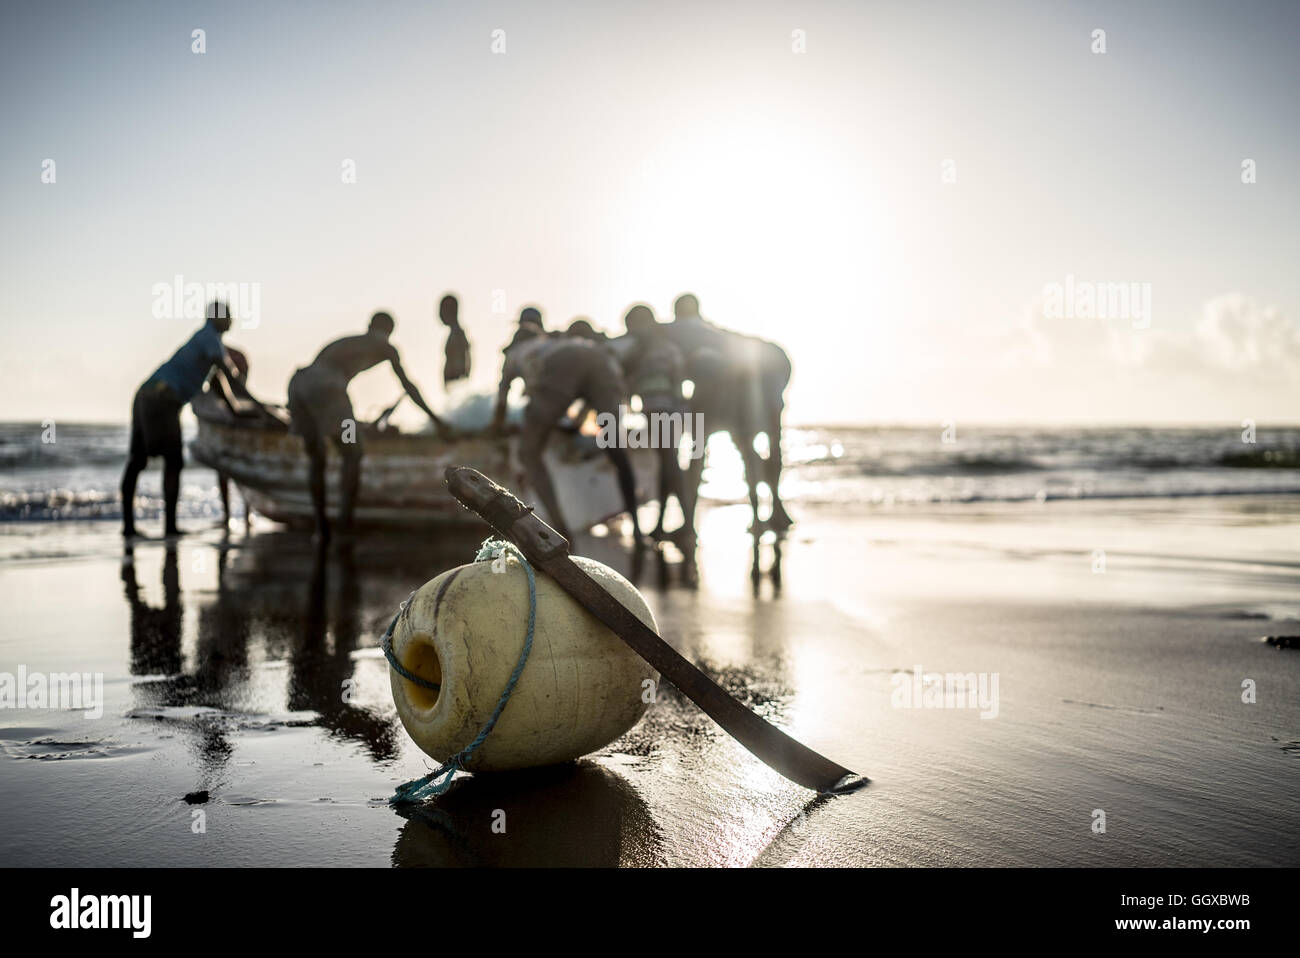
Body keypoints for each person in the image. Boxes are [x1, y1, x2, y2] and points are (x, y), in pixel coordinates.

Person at [287, 311, 449, 542]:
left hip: (298, 384)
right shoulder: (385, 346)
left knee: (317, 459)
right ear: (389, 331)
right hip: (329, 388)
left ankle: (321, 530)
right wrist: (436, 420)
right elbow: (408, 385)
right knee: (353, 452)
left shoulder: (350, 341)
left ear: (369, 325)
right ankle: (344, 528)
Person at [491, 324, 643, 544]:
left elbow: (502, 397)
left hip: (561, 364)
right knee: (615, 446)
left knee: (529, 453)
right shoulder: (554, 343)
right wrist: (573, 425)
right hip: (598, 358)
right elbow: (577, 388)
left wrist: (495, 428)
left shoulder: (516, 353)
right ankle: (636, 525)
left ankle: (560, 530)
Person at [667, 293, 794, 533]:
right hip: (765, 377)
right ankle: (770, 510)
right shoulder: (714, 334)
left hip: (742, 387)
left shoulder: (680, 332)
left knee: (700, 454)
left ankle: (690, 523)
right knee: (756, 448)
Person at [121, 301, 240, 538]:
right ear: (216, 318)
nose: (231, 320)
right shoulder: (211, 338)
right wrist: (252, 405)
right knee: (173, 462)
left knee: (137, 461)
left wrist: (234, 408)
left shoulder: (202, 340)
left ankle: (128, 527)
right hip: (162, 398)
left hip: (145, 393)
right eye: (227, 316)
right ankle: (170, 528)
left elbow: (218, 383)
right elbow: (229, 376)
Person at [615, 304, 687, 541]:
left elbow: (630, 382)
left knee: (669, 465)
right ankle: (665, 523)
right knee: (668, 464)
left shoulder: (646, 351)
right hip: (671, 409)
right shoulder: (667, 347)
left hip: (660, 409)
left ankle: (686, 525)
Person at [439, 294, 471, 386]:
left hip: (457, 381)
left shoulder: (458, 334)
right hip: (454, 382)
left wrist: (463, 378)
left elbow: (466, 355)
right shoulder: (454, 333)